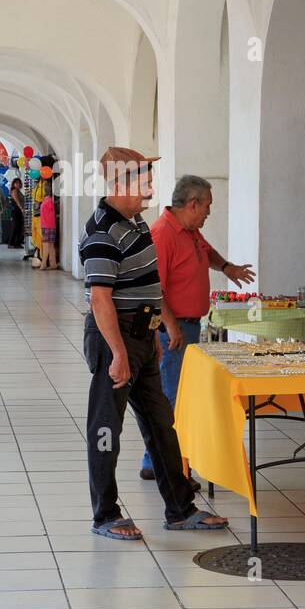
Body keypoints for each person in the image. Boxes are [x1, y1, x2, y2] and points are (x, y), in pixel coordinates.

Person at [79, 145, 228, 541]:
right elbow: (100, 299)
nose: (150, 187)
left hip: (143, 336)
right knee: (106, 429)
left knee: (162, 424)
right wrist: (118, 353)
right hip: (115, 339)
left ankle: (180, 510)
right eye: (143, 180)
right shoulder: (102, 231)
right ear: (121, 182)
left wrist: (154, 330)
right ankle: (105, 515)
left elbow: (149, 283)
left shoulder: (137, 223)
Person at [140, 174, 256, 480]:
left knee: (181, 396)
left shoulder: (190, 231)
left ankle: (157, 462)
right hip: (173, 331)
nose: (209, 212)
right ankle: (167, 466)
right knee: (172, 398)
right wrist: (171, 326)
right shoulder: (163, 234)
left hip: (188, 327)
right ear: (193, 203)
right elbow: (154, 289)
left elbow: (207, 252)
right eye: (207, 206)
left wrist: (227, 268)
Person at [37, 180, 59, 270]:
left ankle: (44, 264)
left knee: (46, 245)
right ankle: (53, 263)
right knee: (50, 245)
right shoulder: (49, 201)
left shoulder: (47, 201)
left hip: (46, 226)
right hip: (51, 226)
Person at [8, 177, 25, 249]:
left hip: (18, 211)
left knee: (19, 227)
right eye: (16, 183)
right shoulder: (14, 191)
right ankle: (11, 243)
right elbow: (17, 200)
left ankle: (17, 243)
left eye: (19, 183)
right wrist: (21, 208)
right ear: (13, 184)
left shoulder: (18, 191)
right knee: (15, 226)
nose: (18, 184)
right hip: (16, 211)